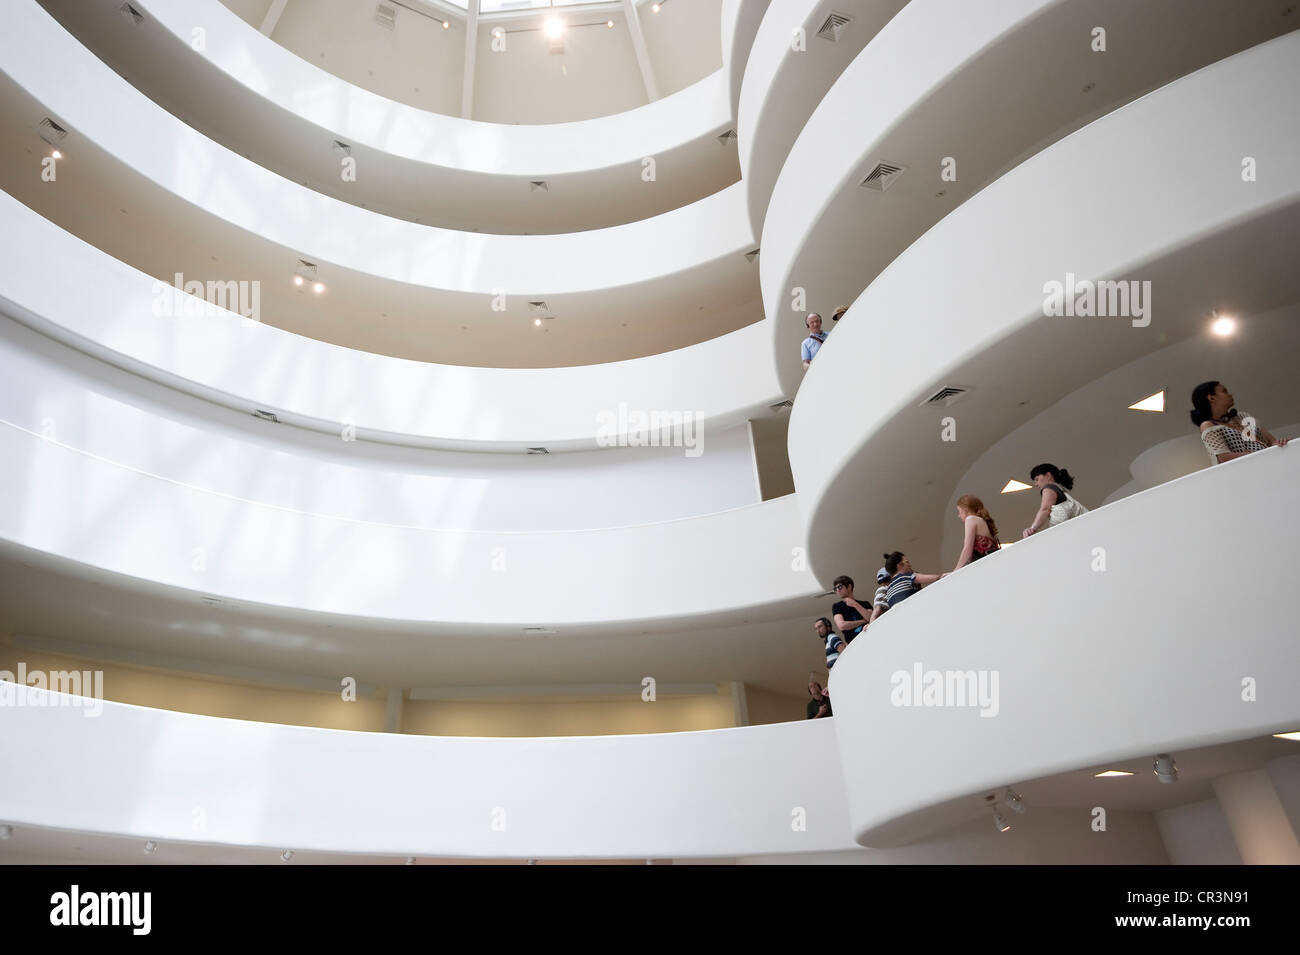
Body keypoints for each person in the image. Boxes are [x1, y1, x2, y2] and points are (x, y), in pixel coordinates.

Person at [1190, 381, 1288, 464]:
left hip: (1269, 461)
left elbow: (1271, 441)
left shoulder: (1243, 416)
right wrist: (1257, 454)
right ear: (1211, 398)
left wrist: (1279, 443)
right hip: (1247, 470)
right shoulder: (1208, 425)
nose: (1230, 394)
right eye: (1224, 391)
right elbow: (1222, 458)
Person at [870, 552, 943, 619]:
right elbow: (936, 578)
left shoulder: (888, 591)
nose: (910, 565)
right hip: (918, 614)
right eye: (907, 562)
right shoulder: (906, 577)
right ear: (899, 565)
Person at [1022, 464, 1087, 537]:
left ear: (1048, 475)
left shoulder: (1049, 488)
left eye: (1037, 479)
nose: (1036, 484)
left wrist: (1032, 528)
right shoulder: (1061, 491)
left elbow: (1045, 509)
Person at [953, 495, 1001, 569]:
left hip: (983, 565)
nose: (958, 515)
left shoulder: (971, 519)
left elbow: (967, 549)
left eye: (959, 511)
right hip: (991, 563)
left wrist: (956, 571)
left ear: (965, 510)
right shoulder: (983, 521)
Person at [831, 576, 870, 643]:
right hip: (853, 643)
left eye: (840, 587)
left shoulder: (865, 604)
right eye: (835, 588)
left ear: (849, 586)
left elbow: (871, 618)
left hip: (869, 636)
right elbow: (842, 625)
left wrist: (855, 604)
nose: (837, 590)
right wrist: (863, 621)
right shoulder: (837, 606)